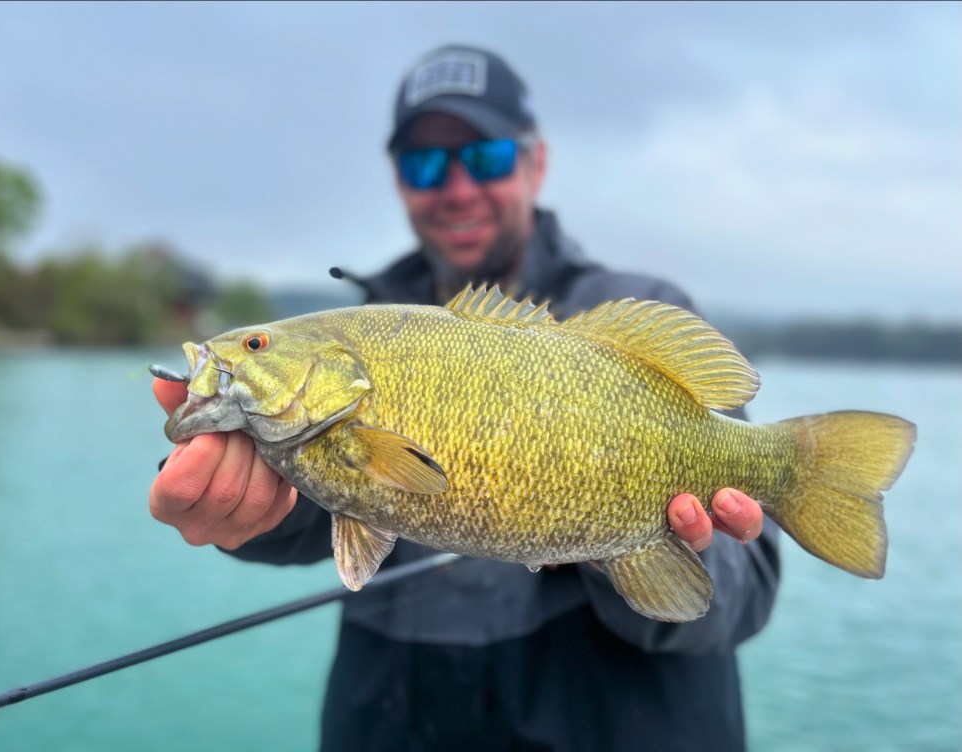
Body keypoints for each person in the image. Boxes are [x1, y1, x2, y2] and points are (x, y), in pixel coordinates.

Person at [150, 44, 780, 752]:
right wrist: (245, 507)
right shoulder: (370, 326)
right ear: (399, 182)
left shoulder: (638, 310)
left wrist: (625, 543)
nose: (456, 188)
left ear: (535, 162)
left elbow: (743, 595)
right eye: (424, 165)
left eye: (484, 158)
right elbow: (320, 513)